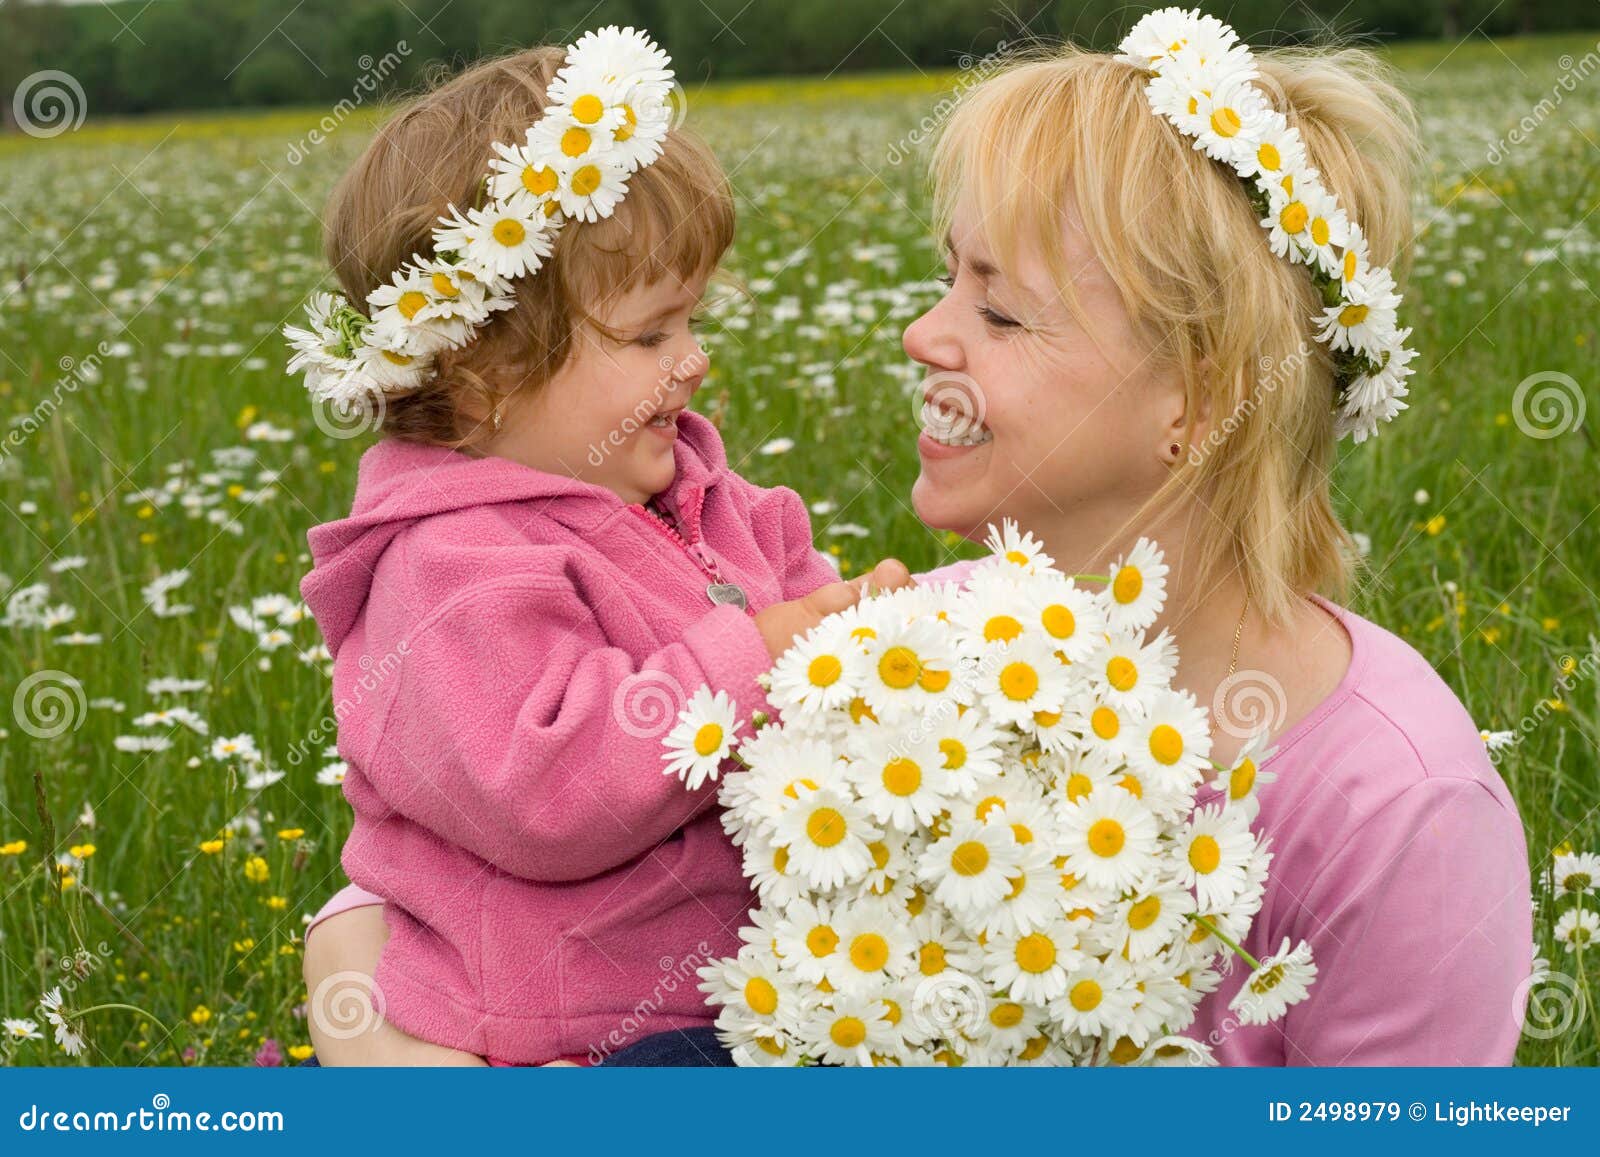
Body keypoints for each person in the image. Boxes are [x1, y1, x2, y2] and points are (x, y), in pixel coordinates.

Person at [303, 17, 1533, 1066]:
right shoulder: (940, 648)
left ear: (1199, 402)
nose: (918, 334)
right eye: (946, 278)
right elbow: (447, 856)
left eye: (996, 307)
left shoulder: (1398, 817)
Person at [282, 28, 913, 1067]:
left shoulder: (709, 497)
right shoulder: (449, 568)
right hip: (579, 1030)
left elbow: (811, 628)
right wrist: (763, 654)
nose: (695, 362)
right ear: (482, 367)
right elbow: (545, 787)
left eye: (692, 322)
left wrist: (890, 640)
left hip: (760, 976)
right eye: (650, 336)